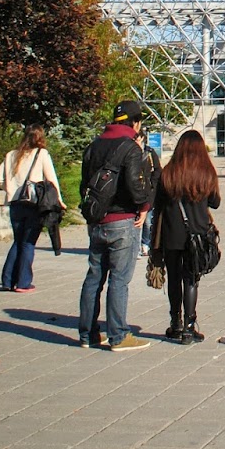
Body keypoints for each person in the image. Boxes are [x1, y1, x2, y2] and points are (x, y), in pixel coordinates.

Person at [78, 100, 156, 351]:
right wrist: (144, 207)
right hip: (122, 220)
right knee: (119, 280)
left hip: (97, 220)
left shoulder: (93, 145)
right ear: (136, 123)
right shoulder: (130, 147)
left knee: (94, 277)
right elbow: (135, 185)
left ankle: (88, 334)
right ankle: (119, 335)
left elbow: (84, 184)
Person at [151, 129, 221, 344]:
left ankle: (175, 324)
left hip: (171, 233)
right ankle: (189, 328)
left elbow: (157, 203)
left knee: (174, 279)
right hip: (197, 235)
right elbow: (215, 203)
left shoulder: (169, 172)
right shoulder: (206, 172)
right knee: (191, 279)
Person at [0, 125, 59, 293]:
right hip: (33, 204)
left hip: (15, 203)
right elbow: (51, 180)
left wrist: (10, 188)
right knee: (28, 243)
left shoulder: (11, 155)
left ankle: (8, 280)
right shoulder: (41, 154)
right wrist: (59, 201)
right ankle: (23, 282)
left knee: (18, 240)